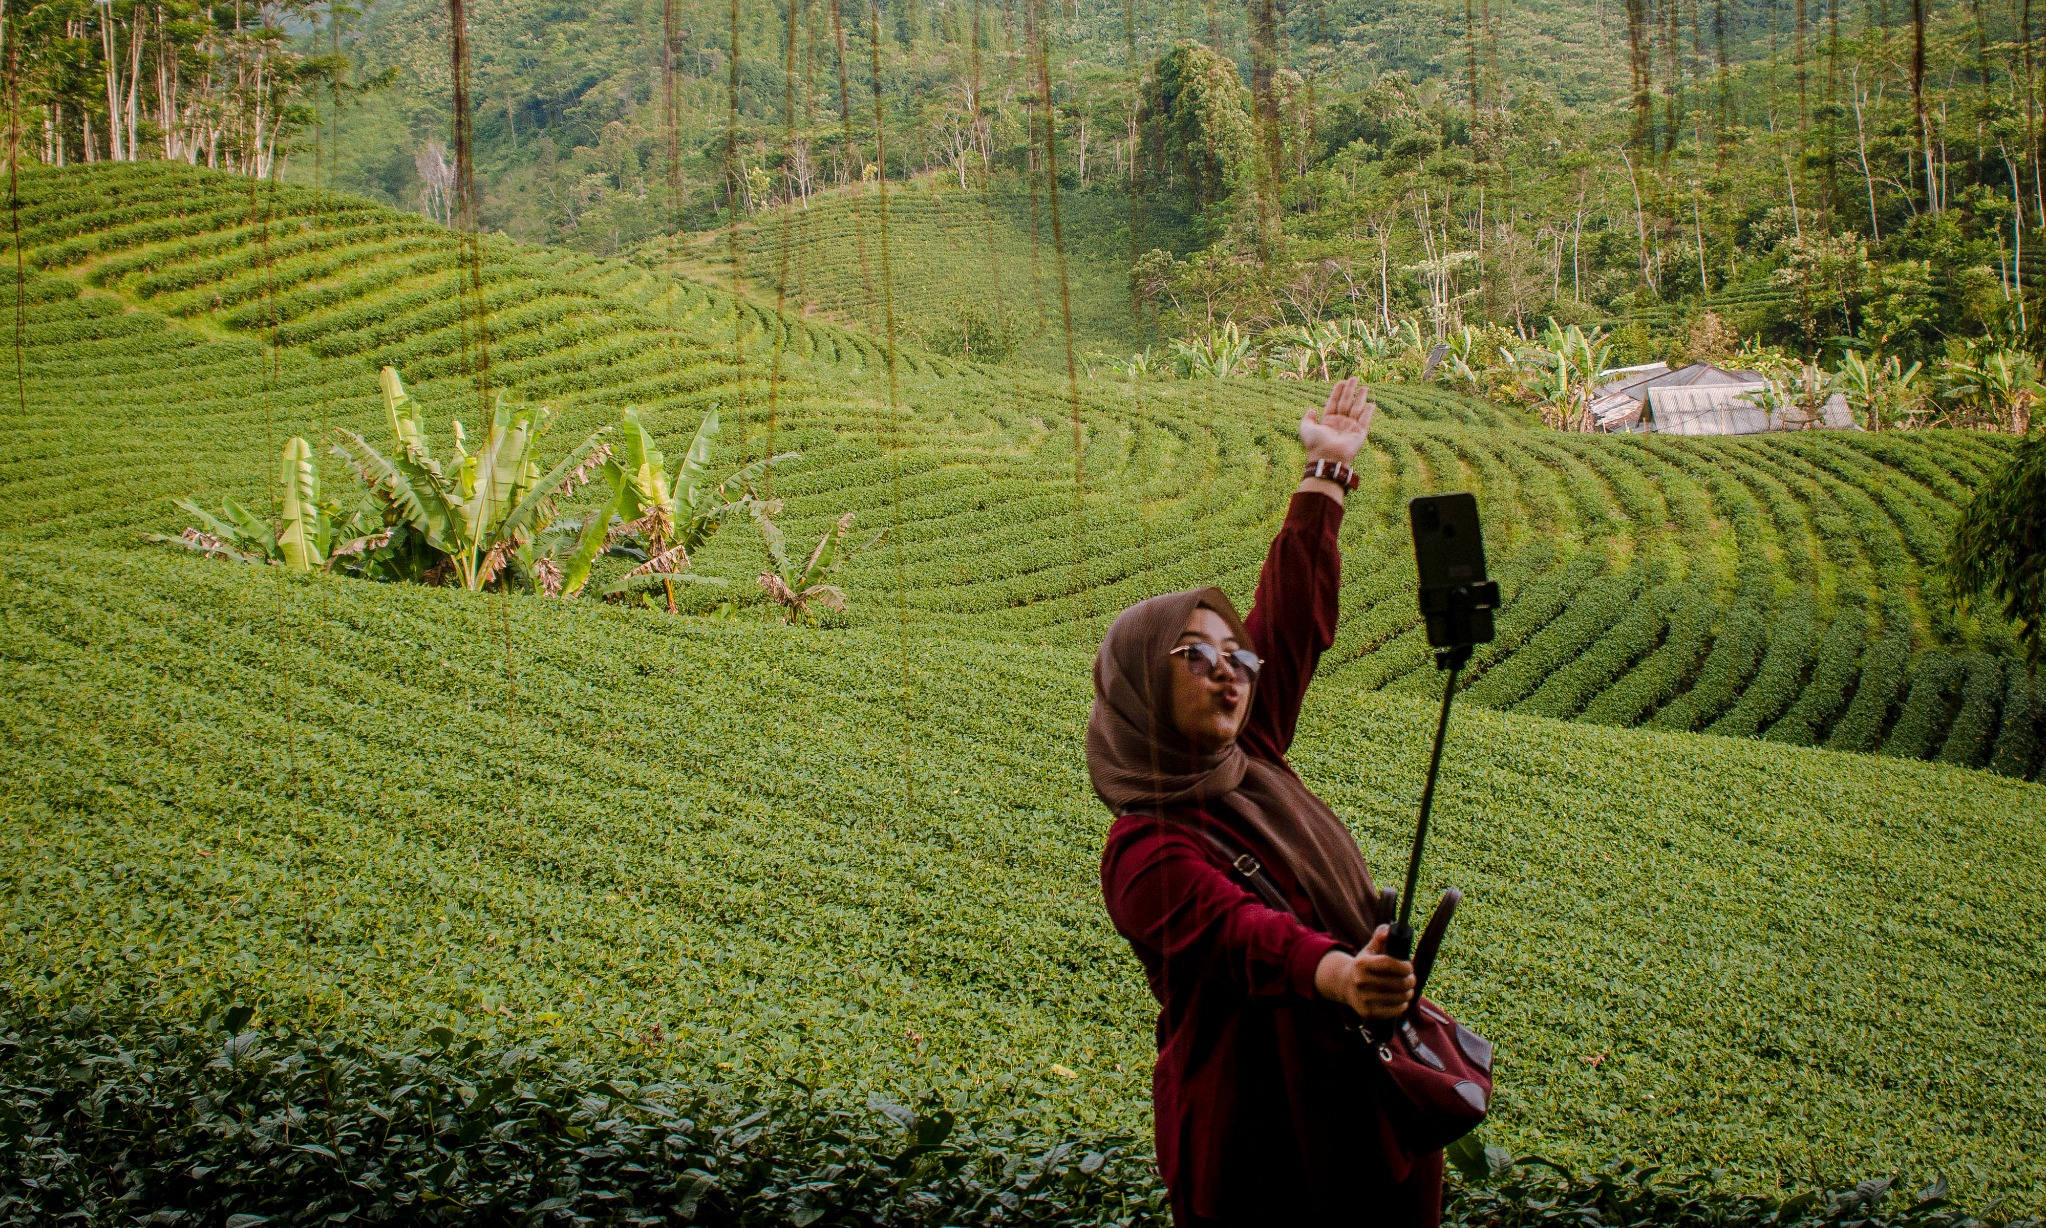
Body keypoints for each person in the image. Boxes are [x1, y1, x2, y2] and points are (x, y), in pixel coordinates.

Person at [1091, 378, 1440, 1226]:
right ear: (1140, 682)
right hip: (1261, 1151)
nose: (1229, 670)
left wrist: (1327, 471)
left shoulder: (1249, 753)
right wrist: (1337, 973)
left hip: (1364, 1115)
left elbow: (1285, 625)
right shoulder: (1144, 852)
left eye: (1233, 660)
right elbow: (1242, 934)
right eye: (1193, 654)